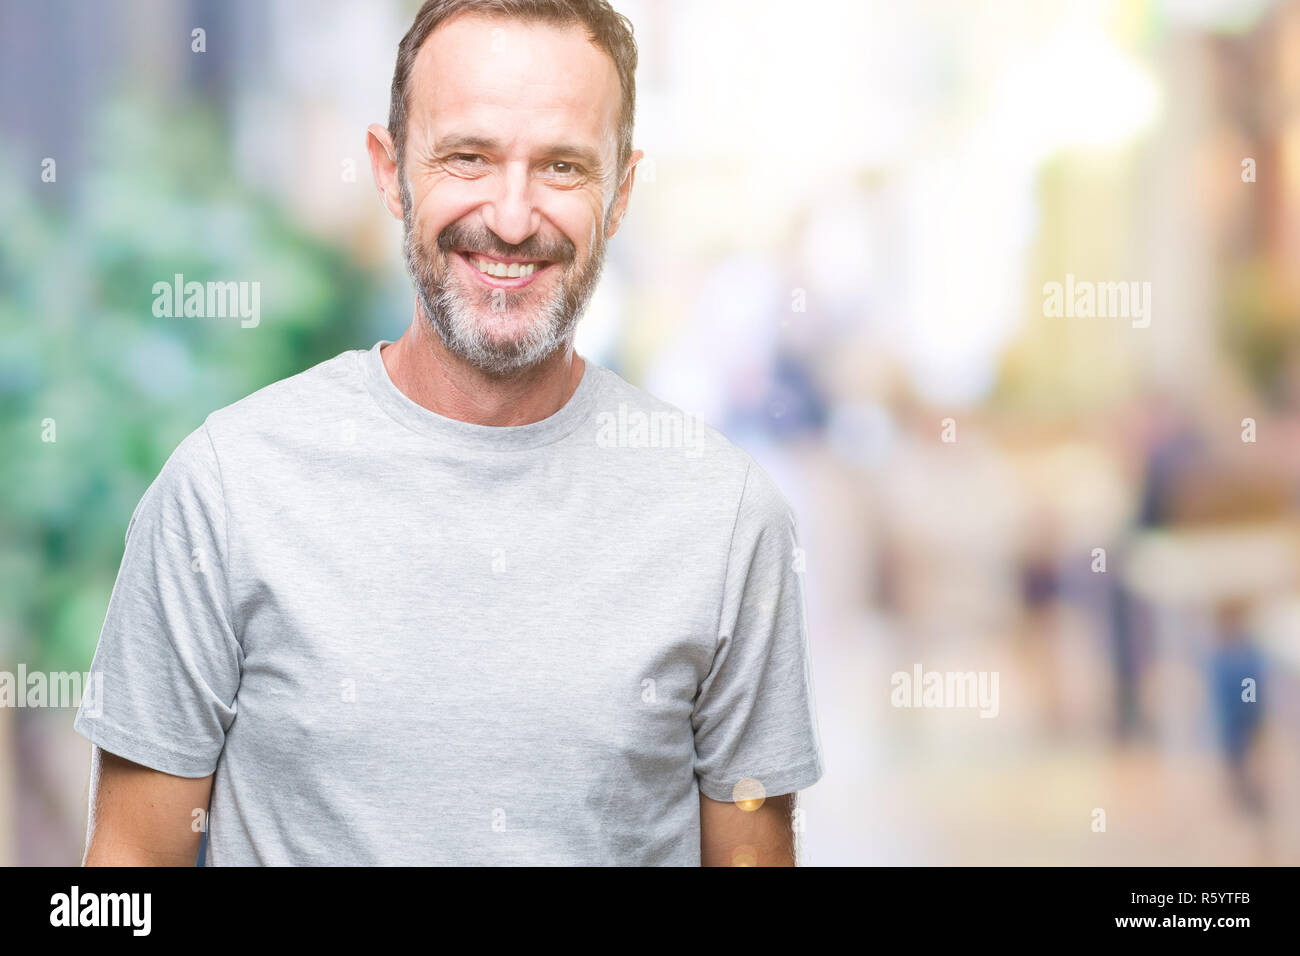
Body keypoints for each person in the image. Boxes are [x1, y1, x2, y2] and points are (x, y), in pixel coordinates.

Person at [74, 0, 824, 866]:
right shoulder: (225, 491)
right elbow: (123, 881)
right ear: (390, 172)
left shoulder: (728, 523)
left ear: (619, 192)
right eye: (467, 157)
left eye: (562, 168)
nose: (510, 217)